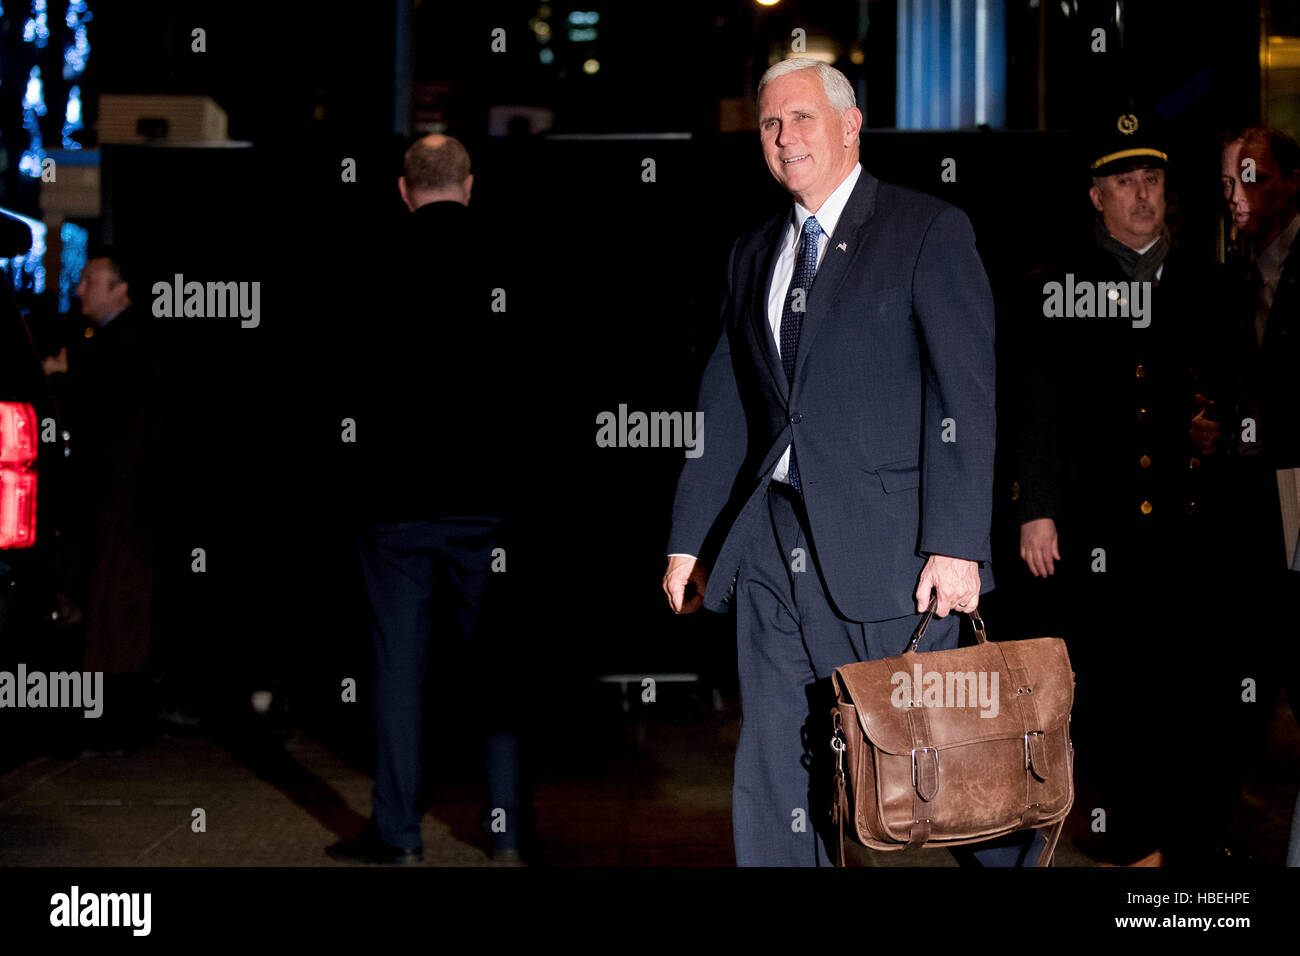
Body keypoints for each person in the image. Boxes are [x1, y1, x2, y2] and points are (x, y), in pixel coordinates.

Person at [662, 58, 1038, 866]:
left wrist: (959, 541)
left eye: (801, 118)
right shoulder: (754, 249)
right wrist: (691, 537)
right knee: (773, 760)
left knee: (940, 769)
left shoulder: (926, 229)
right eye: (770, 124)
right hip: (772, 544)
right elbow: (725, 400)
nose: (785, 137)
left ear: (849, 123)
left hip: (896, 553)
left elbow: (964, 397)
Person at [1012, 114, 1228, 866]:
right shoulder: (1061, 284)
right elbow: (1036, 404)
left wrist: (1224, 430)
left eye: (1155, 181)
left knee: (1193, 691)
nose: (1143, 196)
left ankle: (1192, 842)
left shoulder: (1203, 277)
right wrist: (1036, 506)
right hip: (1099, 522)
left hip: (1188, 520)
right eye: (1127, 183)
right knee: (1110, 692)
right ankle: (1127, 844)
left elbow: (1230, 391)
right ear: (1097, 196)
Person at [327, 134, 530, 865]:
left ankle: (399, 836)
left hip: (395, 501)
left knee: (397, 673)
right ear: (468, 185)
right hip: (493, 502)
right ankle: (506, 832)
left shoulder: (368, 263)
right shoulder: (513, 259)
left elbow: (341, 386)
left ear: (404, 188)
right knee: (499, 671)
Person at [1193, 125, 1300, 864]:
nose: (1235, 196)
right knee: (1240, 684)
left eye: (1251, 177)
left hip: (1292, 496)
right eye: (1228, 183)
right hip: (1250, 513)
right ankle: (1206, 847)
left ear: (1289, 180)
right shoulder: (1233, 275)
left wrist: (1240, 438)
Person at [63, 252, 160, 752]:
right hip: (121, 497)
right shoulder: (115, 342)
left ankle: (115, 719)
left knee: (114, 606)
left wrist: (64, 375)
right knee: (115, 606)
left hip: (123, 497)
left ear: (121, 289)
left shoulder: (122, 345)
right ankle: (117, 716)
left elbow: (102, 413)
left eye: (90, 281)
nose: (80, 290)